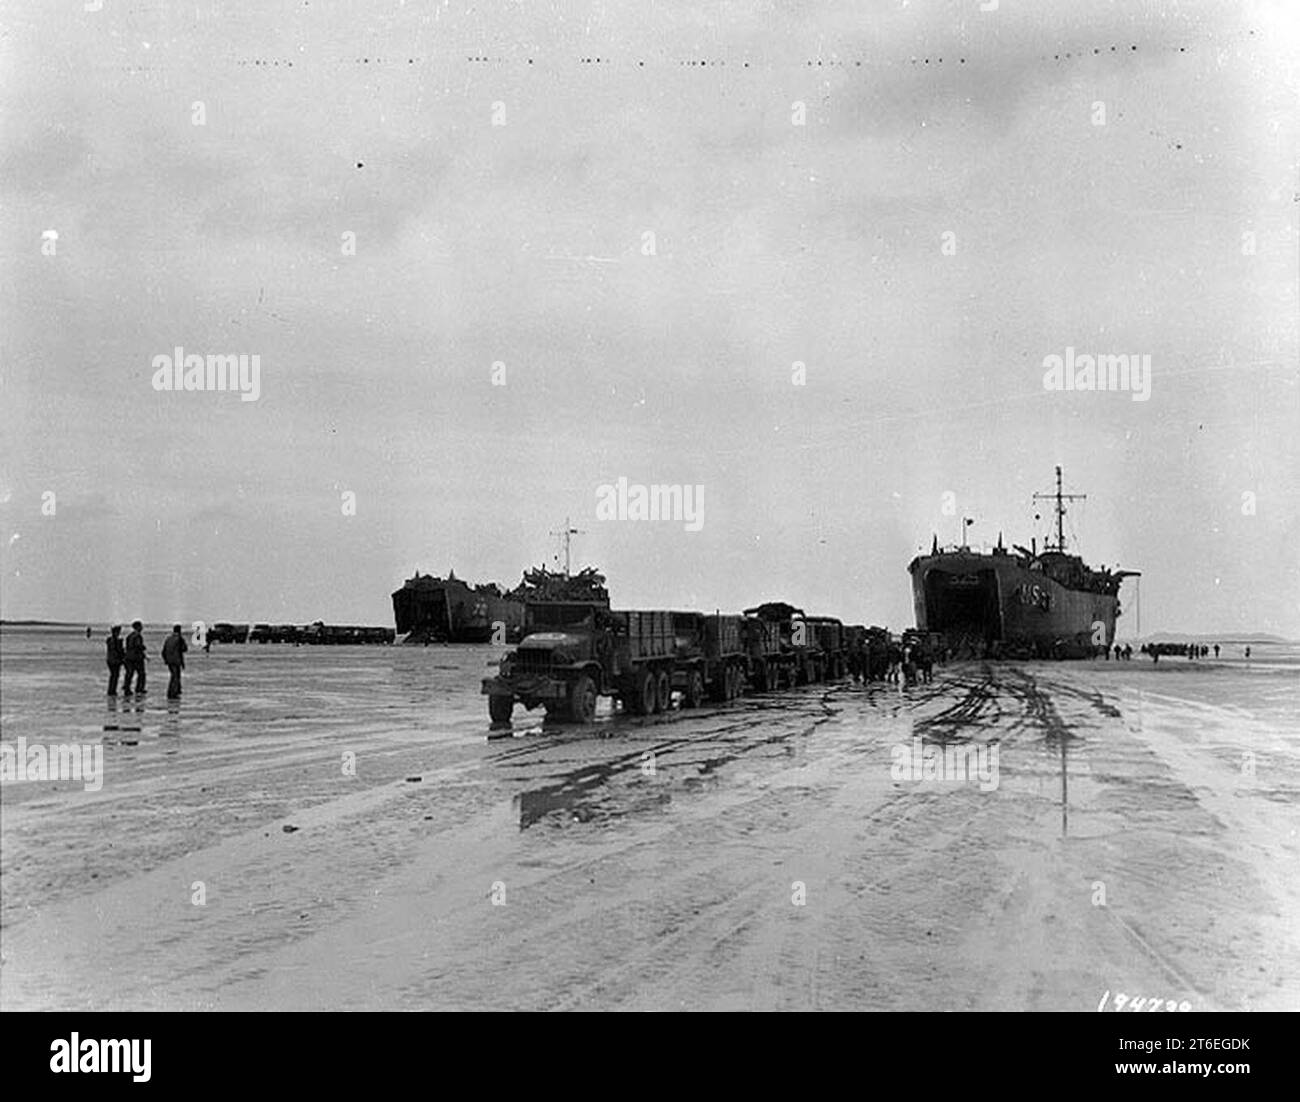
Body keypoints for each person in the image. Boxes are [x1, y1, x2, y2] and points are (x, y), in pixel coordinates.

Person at [162, 624, 188, 700]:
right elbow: (184, 649)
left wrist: (166, 660)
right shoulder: (179, 639)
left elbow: (163, 651)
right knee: (175, 677)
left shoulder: (168, 639)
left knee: (173, 676)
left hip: (170, 661)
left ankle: (173, 691)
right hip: (176, 660)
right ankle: (173, 693)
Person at [123, 620, 147, 694]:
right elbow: (138, 646)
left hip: (129, 657)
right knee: (141, 674)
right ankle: (139, 688)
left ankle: (127, 688)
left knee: (129, 673)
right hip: (136, 658)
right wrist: (143, 648)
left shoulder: (129, 636)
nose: (142, 628)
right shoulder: (137, 636)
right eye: (140, 626)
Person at [105, 625, 125, 695]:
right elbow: (118, 651)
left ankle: (111, 689)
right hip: (115, 660)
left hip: (110, 660)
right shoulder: (116, 641)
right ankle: (112, 690)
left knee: (113, 675)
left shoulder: (109, 640)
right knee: (115, 676)